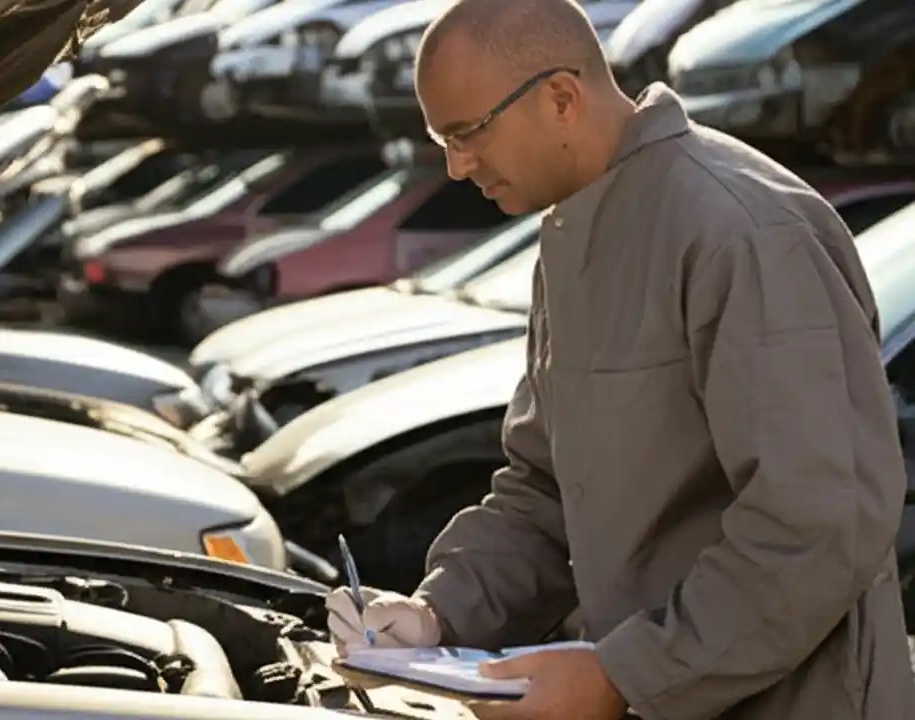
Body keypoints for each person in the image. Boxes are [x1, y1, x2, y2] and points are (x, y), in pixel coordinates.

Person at [324, 0, 914, 718]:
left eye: (467, 132)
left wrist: (622, 677)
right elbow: (546, 492)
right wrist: (437, 615)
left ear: (562, 97)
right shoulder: (574, 233)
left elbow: (818, 528)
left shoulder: (741, 231)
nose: (455, 166)